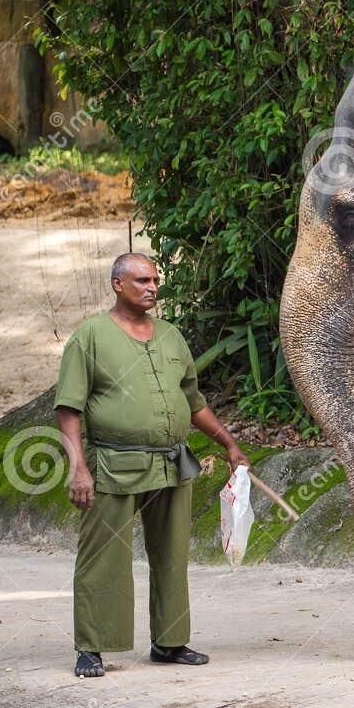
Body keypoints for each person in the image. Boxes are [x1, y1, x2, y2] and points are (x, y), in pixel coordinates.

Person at [54, 252, 249, 677]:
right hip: (113, 465)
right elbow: (68, 409)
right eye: (142, 280)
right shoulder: (89, 338)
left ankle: (170, 642)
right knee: (103, 556)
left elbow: (194, 403)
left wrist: (229, 443)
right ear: (117, 284)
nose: (152, 287)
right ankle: (92, 647)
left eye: (155, 280)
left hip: (172, 464)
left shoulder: (171, 336)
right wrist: (78, 468)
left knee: (172, 555)